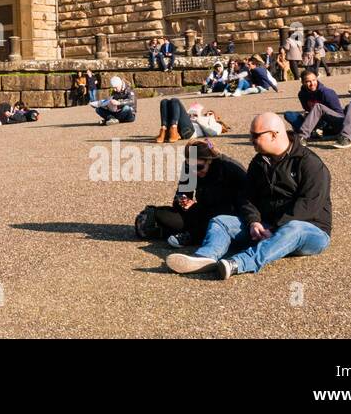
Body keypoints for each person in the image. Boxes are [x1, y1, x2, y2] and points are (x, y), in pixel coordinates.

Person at [166, 112, 332, 279]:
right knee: (220, 221)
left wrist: (274, 226)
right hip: (267, 226)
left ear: (274, 135)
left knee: (293, 228)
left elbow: (309, 206)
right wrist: (253, 221)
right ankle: (205, 257)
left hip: (310, 230)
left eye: (255, 136)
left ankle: (240, 262)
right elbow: (247, 197)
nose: (251, 140)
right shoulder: (259, 163)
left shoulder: (309, 163)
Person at [134, 139, 248, 247]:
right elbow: (181, 194)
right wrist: (182, 200)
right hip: (200, 212)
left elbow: (242, 205)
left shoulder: (229, 169)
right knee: (162, 215)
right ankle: (186, 232)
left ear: (210, 160)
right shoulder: (190, 168)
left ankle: (192, 236)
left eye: (199, 167)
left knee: (211, 222)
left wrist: (195, 207)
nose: (195, 171)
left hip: (228, 216)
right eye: (190, 166)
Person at [283, 70, 351, 148]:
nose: (312, 83)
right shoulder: (302, 94)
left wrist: (324, 124)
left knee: (343, 107)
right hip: (321, 122)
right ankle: (305, 135)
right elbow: (309, 111)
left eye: (314, 80)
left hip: (339, 122)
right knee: (289, 114)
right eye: (308, 82)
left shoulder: (327, 93)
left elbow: (339, 114)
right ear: (302, 82)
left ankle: (304, 135)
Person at [155, 98, 225, 143]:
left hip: (189, 132)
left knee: (175, 100)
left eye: (211, 113)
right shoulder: (202, 116)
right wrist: (190, 116)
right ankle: (164, 130)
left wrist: (198, 118)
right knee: (164, 101)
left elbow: (212, 133)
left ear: (216, 117)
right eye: (208, 112)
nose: (208, 113)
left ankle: (173, 128)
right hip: (182, 128)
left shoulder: (217, 125)